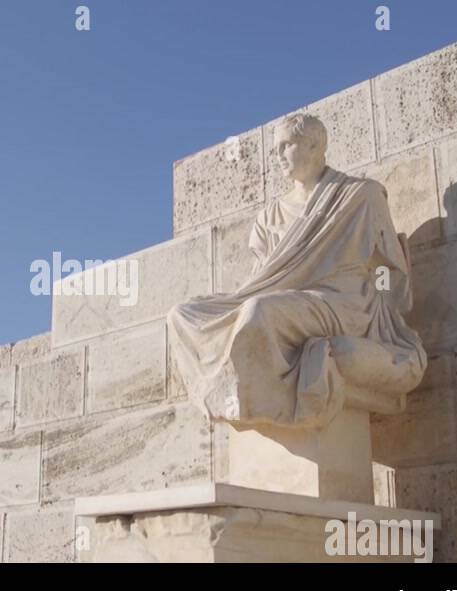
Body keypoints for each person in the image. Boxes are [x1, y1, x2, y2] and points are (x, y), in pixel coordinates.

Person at [167, 113, 426, 429]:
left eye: (285, 146)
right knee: (184, 313)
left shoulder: (361, 195)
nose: (277, 157)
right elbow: (263, 277)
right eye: (275, 149)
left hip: (342, 303)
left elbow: (390, 269)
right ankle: (239, 395)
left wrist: (380, 316)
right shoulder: (270, 216)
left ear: (315, 144)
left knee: (258, 311)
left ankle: (264, 403)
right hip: (283, 299)